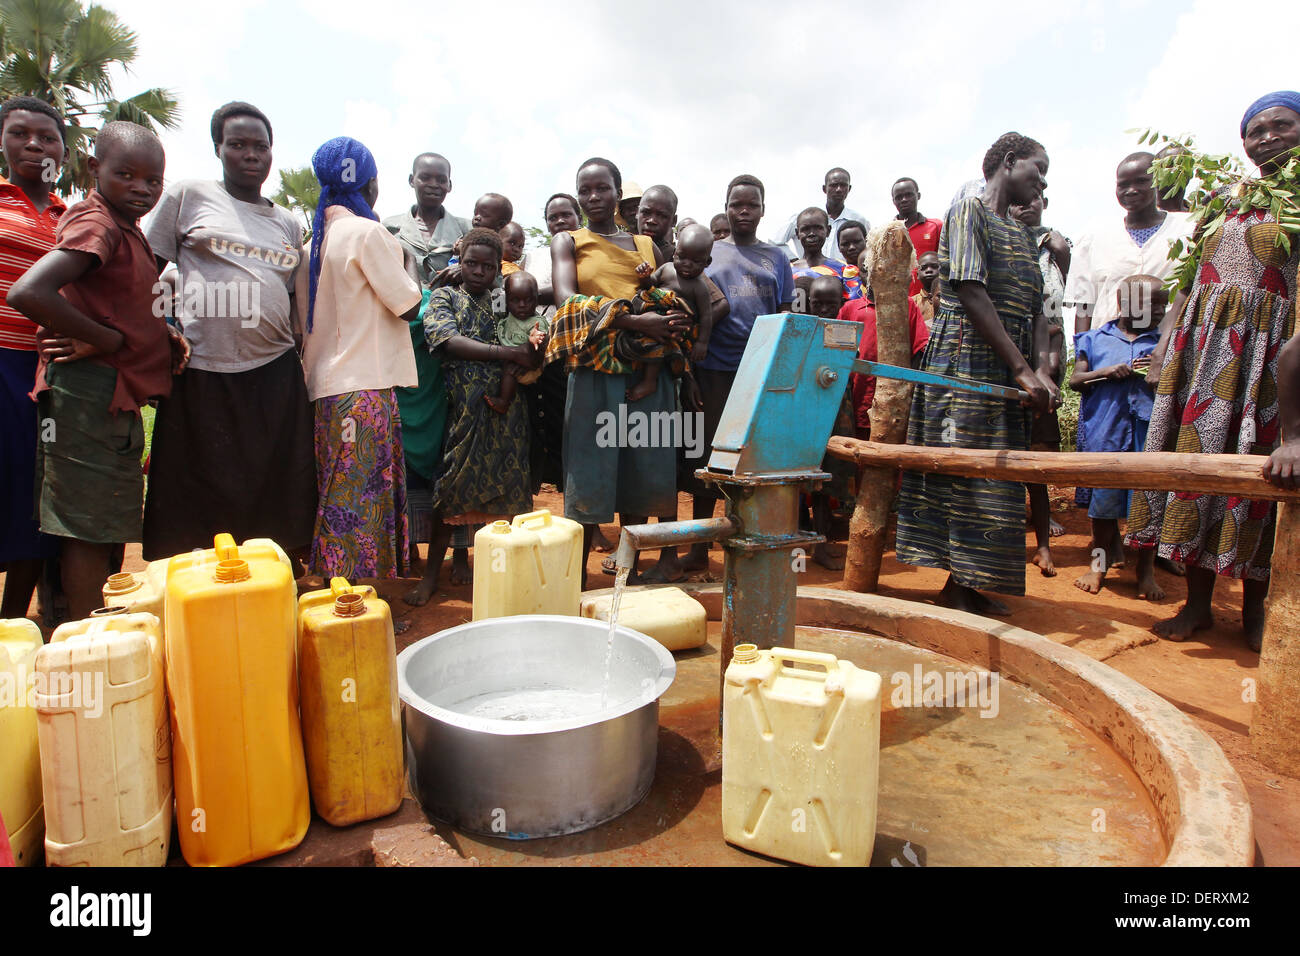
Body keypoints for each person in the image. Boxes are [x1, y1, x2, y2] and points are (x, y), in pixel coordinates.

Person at [1128, 91, 1300, 652]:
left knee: (1260, 479)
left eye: (1283, 125)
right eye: (1257, 130)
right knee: (1196, 469)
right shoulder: (1226, 197)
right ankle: (1197, 604)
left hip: (1269, 360)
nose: (1268, 137)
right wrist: (1164, 347)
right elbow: (1191, 277)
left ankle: (1255, 611)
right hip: (1203, 352)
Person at [9, 122, 185, 620]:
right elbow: (28, 292)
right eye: (126, 174)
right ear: (93, 169)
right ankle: (89, 636)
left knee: (101, 520)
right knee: (87, 528)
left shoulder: (122, 226)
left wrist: (160, 336)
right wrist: (108, 339)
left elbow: (117, 300)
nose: (142, 189)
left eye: (153, 180)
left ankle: (94, 625)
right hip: (88, 397)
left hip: (110, 396)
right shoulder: (97, 223)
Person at [138, 101, 316, 564]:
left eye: (260, 146)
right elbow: (144, 271)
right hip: (201, 366)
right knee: (196, 482)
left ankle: (273, 578)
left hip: (274, 370)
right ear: (218, 148)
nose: (250, 154)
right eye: (238, 144)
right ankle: (198, 585)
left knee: (275, 480)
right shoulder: (188, 195)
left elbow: (294, 296)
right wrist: (162, 325)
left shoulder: (287, 223)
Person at [894, 132, 1057, 616]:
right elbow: (968, 289)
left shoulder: (1026, 235)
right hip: (965, 363)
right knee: (964, 470)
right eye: (1038, 169)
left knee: (998, 476)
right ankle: (958, 587)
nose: (1043, 182)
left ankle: (969, 583)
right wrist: (1022, 369)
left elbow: (1038, 314)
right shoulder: (969, 212)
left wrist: (1042, 371)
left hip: (1008, 369)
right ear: (1008, 162)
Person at [548, 157, 693, 585]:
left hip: (649, 372)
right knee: (589, 466)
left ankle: (628, 566)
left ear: (618, 194)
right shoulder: (567, 241)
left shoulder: (648, 246)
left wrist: (659, 326)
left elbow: (667, 297)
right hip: (596, 369)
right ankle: (576, 576)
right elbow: (564, 300)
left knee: (646, 463)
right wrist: (632, 322)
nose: (593, 197)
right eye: (585, 190)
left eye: (602, 189)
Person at [300, 136, 421, 580]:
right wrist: (406, 257)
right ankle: (356, 602)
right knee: (361, 505)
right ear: (368, 184)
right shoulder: (366, 234)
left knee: (340, 493)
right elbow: (408, 305)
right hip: (364, 391)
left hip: (327, 391)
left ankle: (342, 597)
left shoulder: (314, 243)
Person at [405, 228, 538, 606]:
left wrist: (529, 347)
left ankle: (510, 580)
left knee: (509, 495)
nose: (479, 271)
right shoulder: (445, 297)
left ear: (499, 269)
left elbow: (528, 329)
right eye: (471, 264)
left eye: (488, 266)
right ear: (459, 263)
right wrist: (507, 353)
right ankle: (431, 577)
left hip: (508, 412)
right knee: (450, 494)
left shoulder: (503, 299)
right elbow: (447, 341)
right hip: (463, 409)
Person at [679, 173, 796, 572]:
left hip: (759, 372)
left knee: (750, 459)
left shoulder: (777, 257)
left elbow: (784, 316)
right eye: (736, 204)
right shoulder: (711, 252)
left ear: (763, 210)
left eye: (752, 205)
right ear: (726, 207)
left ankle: (744, 540)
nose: (743, 211)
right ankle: (699, 546)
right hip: (713, 367)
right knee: (710, 454)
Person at [0, 96, 67, 618]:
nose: (34, 145)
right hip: (1, 362)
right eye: (20, 133)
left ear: (63, 153)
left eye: (46, 137)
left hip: (51, 374)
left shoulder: (75, 218)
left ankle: (14, 624)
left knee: (36, 497)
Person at [1070, 275, 1164, 599]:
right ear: (1126, 305)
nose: (1162, 310)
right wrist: (1106, 372)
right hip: (1106, 432)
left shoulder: (1164, 343)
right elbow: (1075, 380)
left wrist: (1159, 371)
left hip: (1147, 432)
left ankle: (1146, 572)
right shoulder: (1094, 338)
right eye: (1155, 304)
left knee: (1148, 501)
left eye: (1163, 304)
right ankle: (1099, 565)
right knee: (1102, 506)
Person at [1064, 151, 1194, 337]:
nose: (1131, 190)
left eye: (1141, 181)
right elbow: (1084, 305)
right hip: (1109, 354)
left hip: (1171, 351)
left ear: (1157, 181)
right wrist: (1082, 356)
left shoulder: (1189, 228)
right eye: (1123, 185)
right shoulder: (1093, 238)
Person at [1011, 194, 1072, 575]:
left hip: (1044, 355)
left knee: (1037, 453)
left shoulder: (1054, 244)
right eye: (1022, 199)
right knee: (1005, 452)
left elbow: (1049, 320)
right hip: (1006, 359)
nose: (1026, 204)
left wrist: (1044, 372)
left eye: (1036, 197)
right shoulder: (1001, 245)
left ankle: (1043, 540)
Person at [841, 248, 930, 442]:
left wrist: (907, 393)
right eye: (865, 269)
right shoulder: (850, 309)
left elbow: (918, 351)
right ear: (858, 273)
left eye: (876, 268)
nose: (872, 274)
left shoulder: (906, 306)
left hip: (893, 403)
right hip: (857, 396)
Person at [621, 222, 715, 402]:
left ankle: (650, 381)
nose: (687, 265)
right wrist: (645, 276)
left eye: (695, 262)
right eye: (682, 257)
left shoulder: (699, 287)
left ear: (707, 262)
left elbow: (706, 316)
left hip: (671, 325)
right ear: (674, 253)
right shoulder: (666, 268)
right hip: (648, 316)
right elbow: (649, 286)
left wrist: (702, 342)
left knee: (657, 344)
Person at [382, 152, 468, 288]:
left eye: (441, 180)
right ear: (411, 180)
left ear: (449, 185)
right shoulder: (389, 229)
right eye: (425, 178)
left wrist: (465, 271)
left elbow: (496, 280)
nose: (433, 185)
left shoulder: (468, 230)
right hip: (404, 308)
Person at [771, 168, 869, 263]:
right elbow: (774, 242)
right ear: (824, 189)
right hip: (808, 275)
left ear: (849, 189)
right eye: (834, 185)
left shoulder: (859, 220)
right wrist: (796, 261)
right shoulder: (804, 217)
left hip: (844, 276)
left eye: (843, 185)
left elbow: (869, 250)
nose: (838, 189)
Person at [487, 270, 548, 414]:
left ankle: (504, 402)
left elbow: (538, 335)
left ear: (537, 300)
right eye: (515, 300)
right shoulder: (507, 314)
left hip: (528, 366)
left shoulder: (536, 321)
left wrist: (533, 338)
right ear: (507, 301)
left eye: (528, 300)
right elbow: (496, 291)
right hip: (514, 358)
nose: (522, 305)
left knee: (510, 370)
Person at [891, 177, 943, 295]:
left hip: (929, 298)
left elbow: (944, 263)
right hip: (898, 300)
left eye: (908, 195)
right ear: (893, 201)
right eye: (898, 197)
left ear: (918, 195)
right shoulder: (886, 232)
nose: (904, 200)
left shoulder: (936, 226)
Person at [790, 207, 854, 300]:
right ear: (797, 233)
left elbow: (852, 306)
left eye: (818, 228)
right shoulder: (786, 271)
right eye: (805, 229)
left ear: (828, 231)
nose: (811, 233)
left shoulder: (843, 269)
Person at [1155, 143, 1190, 213]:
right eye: (1170, 164)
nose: (1177, 170)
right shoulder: (1142, 217)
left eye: (1182, 165)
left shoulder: (1203, 218)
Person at [911, 251, 941, 322]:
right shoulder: (912, 303)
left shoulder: (949, 300)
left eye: (934, 266)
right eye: (923, 267)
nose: (929, 270)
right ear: (917, 274)